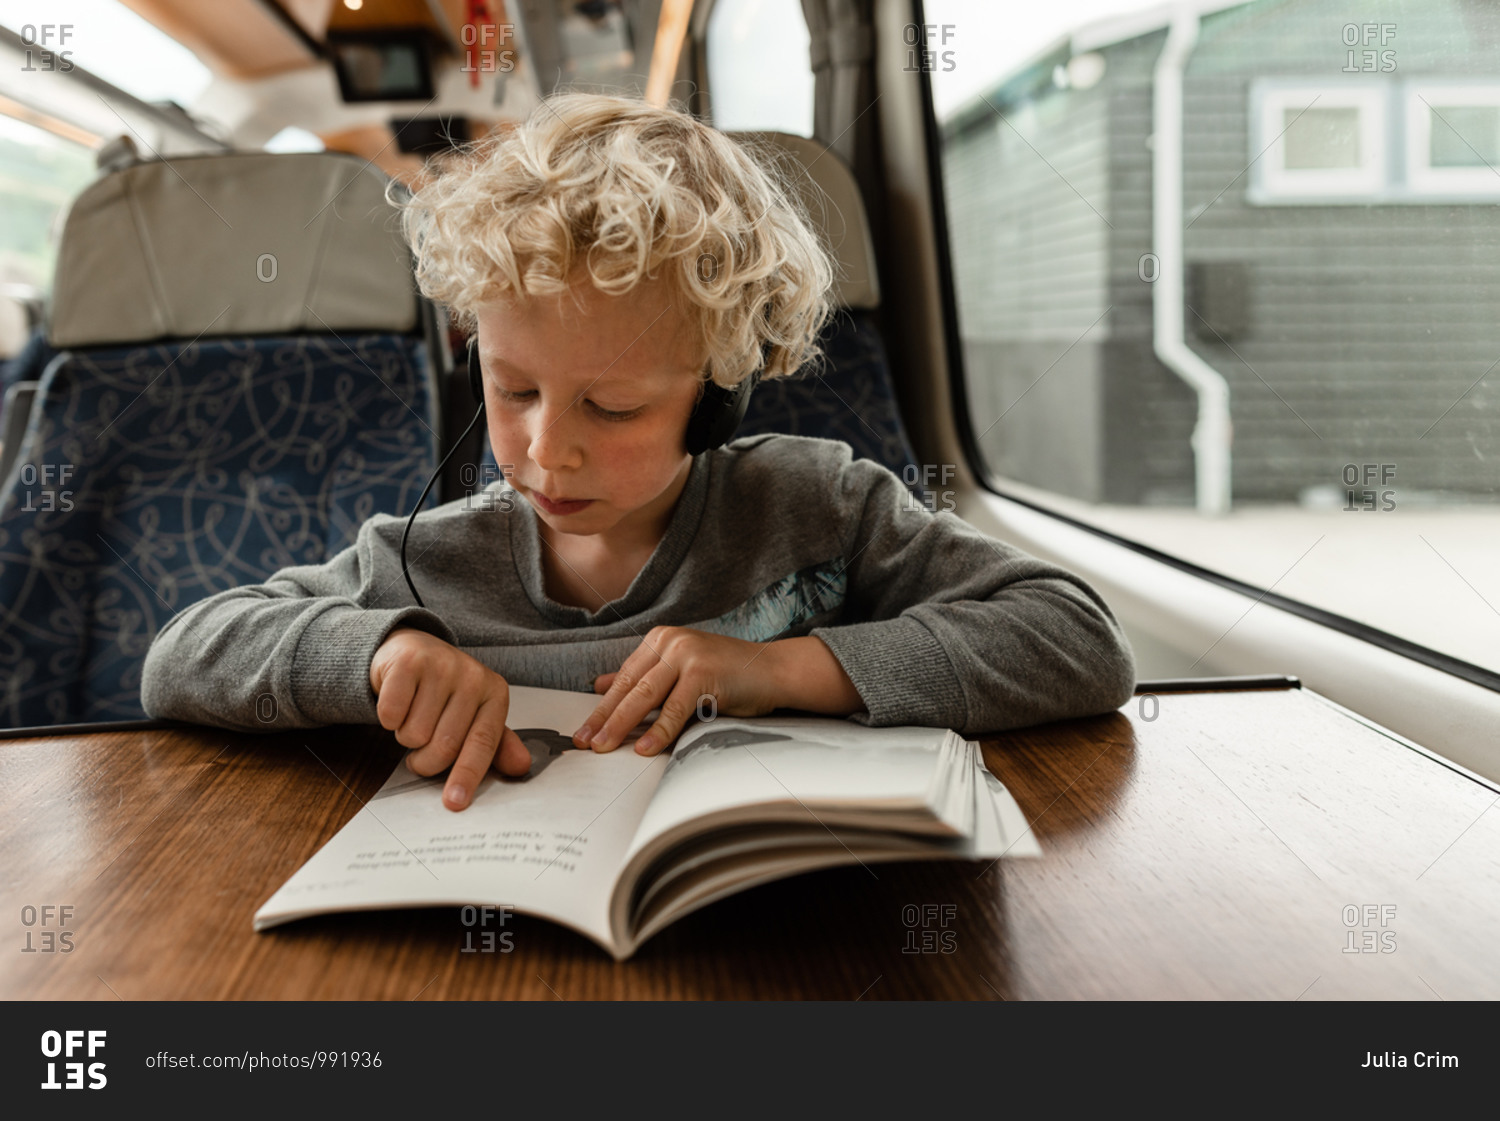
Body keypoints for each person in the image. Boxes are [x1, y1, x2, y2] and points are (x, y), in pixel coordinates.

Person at [140, 92, 1135, 812]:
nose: (545, 450)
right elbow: (180, 657)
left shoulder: (819, 506)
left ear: (718, 393)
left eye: (611, 407)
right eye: (513, 388)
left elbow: (1078, 638)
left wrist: (786, 668)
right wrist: (378, 651)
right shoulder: (423, 560)